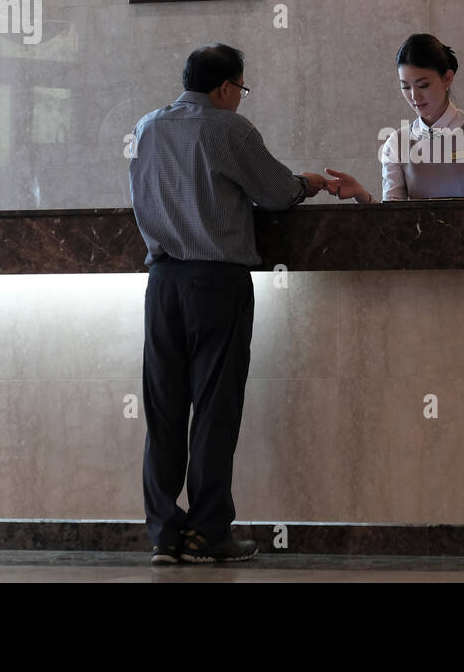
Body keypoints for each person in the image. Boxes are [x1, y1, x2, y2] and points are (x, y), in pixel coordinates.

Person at [128, 44, 328, 565]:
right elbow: (277, 191)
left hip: (163, 283)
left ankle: (164, 536)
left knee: (164, 411)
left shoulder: (149, 126)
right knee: (215, 410)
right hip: (216, 282)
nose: (240, 98)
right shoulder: (227, 128)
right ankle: (208, 533)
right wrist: (314, 182)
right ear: (224, 88)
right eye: (240, 89)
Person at [326, 33, 464, 202]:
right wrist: (362, 196)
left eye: (423, 85)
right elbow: (392, 220)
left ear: (447, 78)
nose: (414, 97)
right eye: (405, 87)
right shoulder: (397, 142)